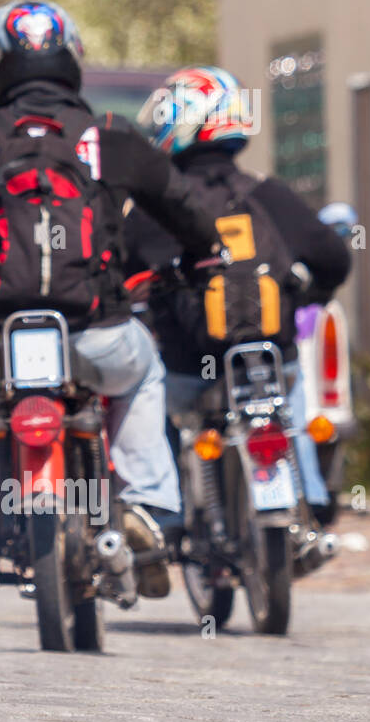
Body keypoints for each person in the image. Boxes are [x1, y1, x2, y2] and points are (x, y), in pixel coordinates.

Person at [0, 0, 222, 597]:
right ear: (71, 59)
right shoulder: (110, 137)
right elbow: (185, 207)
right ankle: (147, 507)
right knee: (144, 376)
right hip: (98, 330)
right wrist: (204, 258)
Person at [127, 66, 352, 525]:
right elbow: (334, 259)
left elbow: (115, 270)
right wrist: (312, 292)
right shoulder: (268, 193)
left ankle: (162, 513)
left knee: (145, 394)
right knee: (291, 397)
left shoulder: (155, 205)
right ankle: (314, 498)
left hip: (191, 371)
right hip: (271, 359)